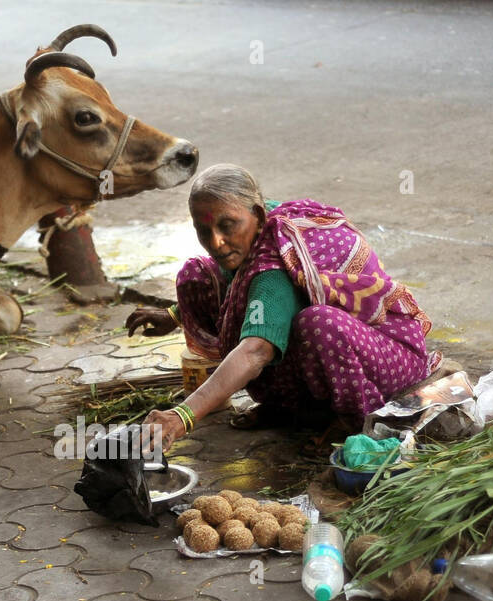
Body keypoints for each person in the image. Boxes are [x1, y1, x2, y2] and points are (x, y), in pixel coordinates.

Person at [130, 164, 437, 454]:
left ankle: (351, 421)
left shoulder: (272, 267)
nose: (217, 242)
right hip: (343, 350)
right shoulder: (253, 225)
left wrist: (182, 416)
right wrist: (174, 315)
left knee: (317, 325)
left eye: (227, 226)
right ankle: (293, 408)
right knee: (198, 275)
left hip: (388, 354)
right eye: (203, 230)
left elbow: (254, 351)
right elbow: (230, 285)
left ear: (259, 215)